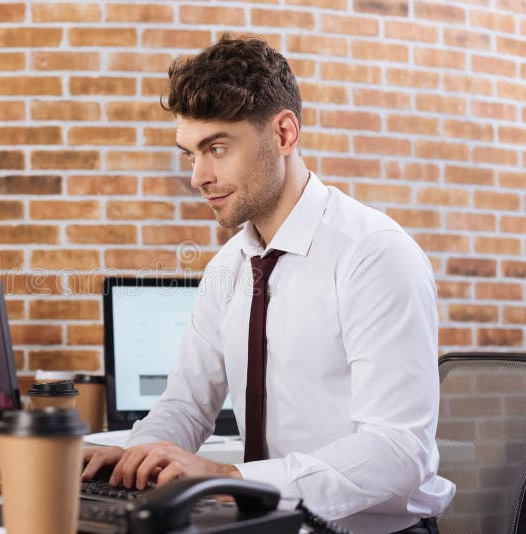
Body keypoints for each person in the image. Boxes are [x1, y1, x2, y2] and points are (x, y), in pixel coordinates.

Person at [81, 35, 455, 533]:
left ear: (283, 134)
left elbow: (398, 451)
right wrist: (131, 454)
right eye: (190, 154)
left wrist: (231, 476)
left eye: (216, 148)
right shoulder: (228, 266)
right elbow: (186, 406)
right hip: (264, 524)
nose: (198, 176)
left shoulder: (374, 254)